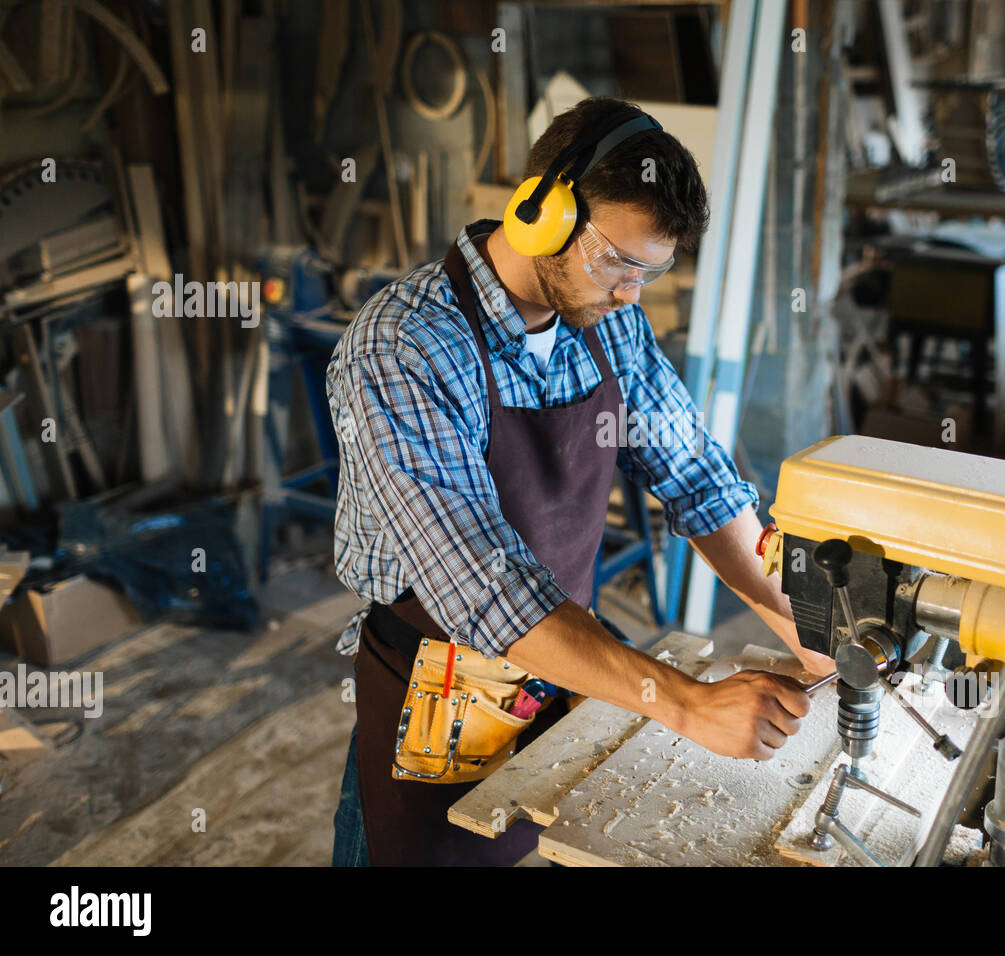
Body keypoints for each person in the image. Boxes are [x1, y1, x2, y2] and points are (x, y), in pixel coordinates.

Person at [327, 96, 835, 866]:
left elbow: (696, 476)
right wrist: (687, 704)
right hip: (437, 697)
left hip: (568, 669)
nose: (633, 295)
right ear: (542, 214)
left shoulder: (608, 322)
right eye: (620, 264)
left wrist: (805, 628)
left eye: (651, 272)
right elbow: (486, 592)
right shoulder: (403, 349)